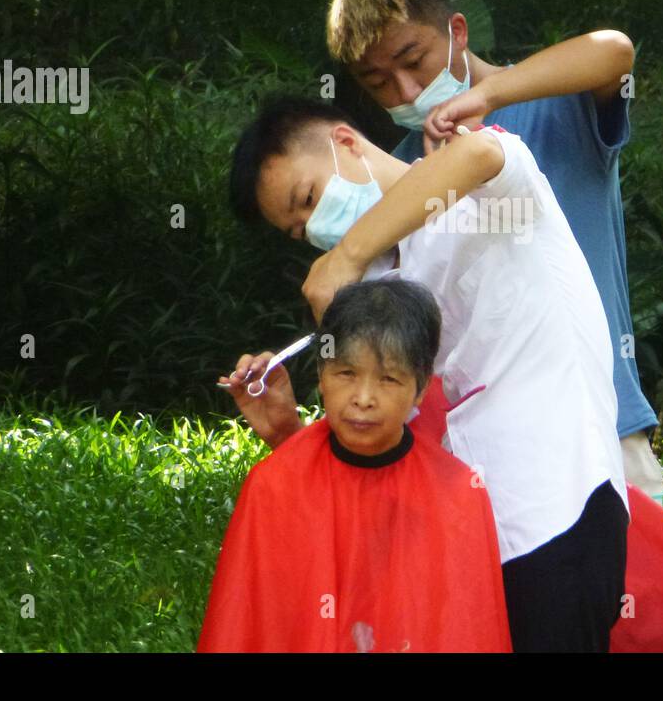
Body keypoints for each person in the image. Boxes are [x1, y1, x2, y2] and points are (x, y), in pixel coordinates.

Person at [228, 97, 630, 652]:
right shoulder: (375, 290)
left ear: (346, 141)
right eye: (299, 232)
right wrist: (287, 434)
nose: (315, 229)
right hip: (454, 549)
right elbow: (380, 455)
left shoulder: (482, 195)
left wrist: (348, 252)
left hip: (554, 512)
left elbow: (486, 152)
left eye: (310, 199)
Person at [325, 0, 663, 503]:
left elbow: (615, 51)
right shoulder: (402, 175)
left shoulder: (555, 109)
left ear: (457, 32)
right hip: (483, 447)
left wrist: (489, 95)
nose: (407, 91)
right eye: (379, 82)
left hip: (605, 423)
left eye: (414, 60)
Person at [197, 279, 511, 653]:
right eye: (346, 374)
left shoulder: (458, 494)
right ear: (321, 374)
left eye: (389, 379)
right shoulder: (274, 484)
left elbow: (465, 631)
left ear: (422, 387)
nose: (363, 399)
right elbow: (251, 626)